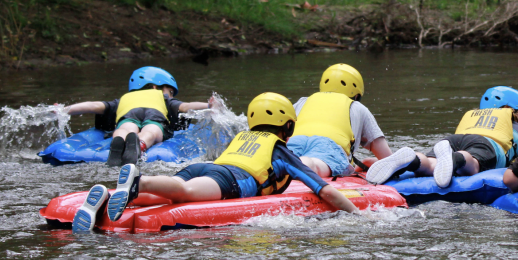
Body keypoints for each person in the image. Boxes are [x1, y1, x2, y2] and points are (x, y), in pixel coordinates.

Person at [72, 93, 359, 232]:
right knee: (184, 194)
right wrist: (360, 216)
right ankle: (139, 181)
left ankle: (107, 196)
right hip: (228, 180)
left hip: (206, 168)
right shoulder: (281, 151)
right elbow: (325, 190)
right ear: (288, 126)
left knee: (171, 192)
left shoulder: (243, 137)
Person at [365, 86, 518, 187]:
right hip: (485, 144)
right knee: (474, 165)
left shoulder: (475, 117)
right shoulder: (515, 127)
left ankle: (413, 160)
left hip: (454, 140)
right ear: (509, 108)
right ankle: (456, 159)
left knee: (430, 164)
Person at [63, 66, 211, 166]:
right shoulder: (162, 97)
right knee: (151, 131)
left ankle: (119, 140)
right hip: (155, 115)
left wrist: (65, 110)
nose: (171, 95)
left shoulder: (123, 99)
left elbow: (93, 106)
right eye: (170, 91)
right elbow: (186, 106)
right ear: (155, 86)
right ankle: (140, 144)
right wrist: (209, 106)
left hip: (128, 113)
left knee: (126, 127)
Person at [287, 64, 393, 179]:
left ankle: (284, 166)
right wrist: (371, 162)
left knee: (281, 160)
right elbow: (388, 159)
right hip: (328, 145)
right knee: (315, 165)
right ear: (356, 95)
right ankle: (301, 165)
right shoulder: (358, 107)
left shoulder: (302, 101)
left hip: (295, 140)